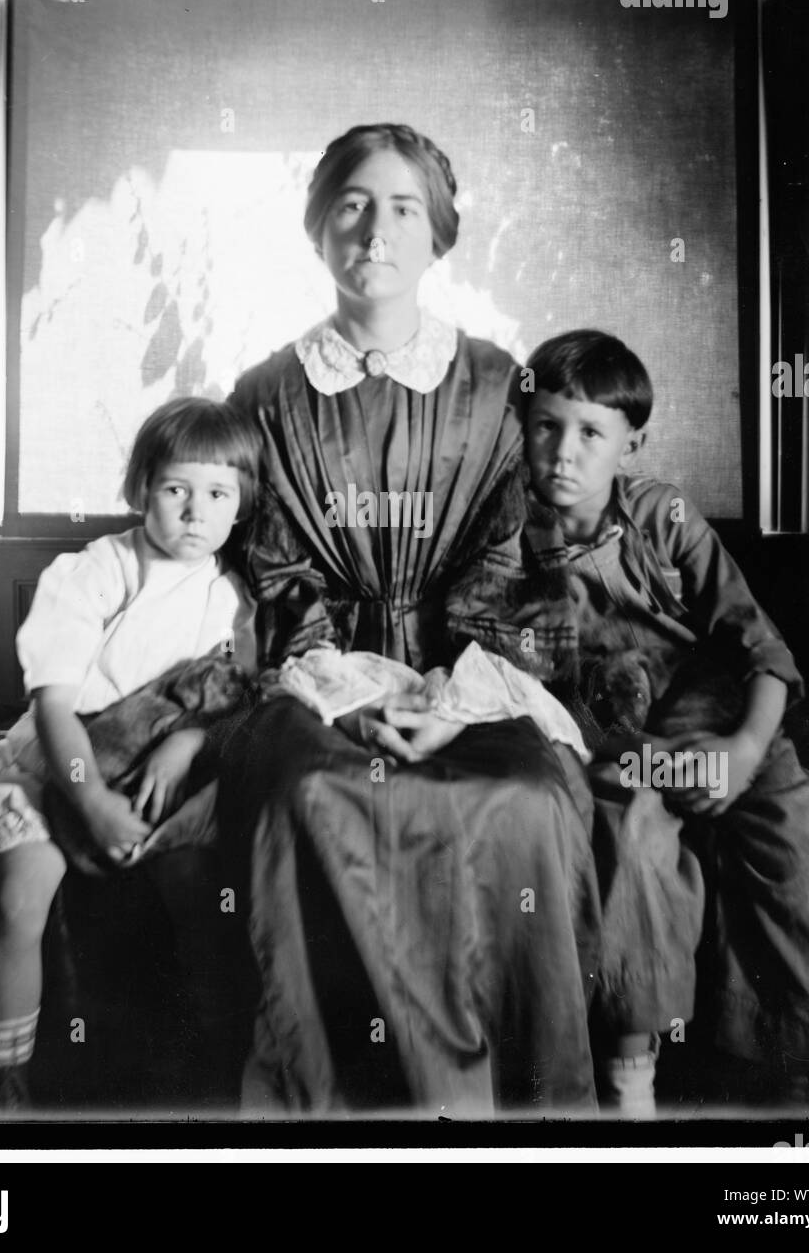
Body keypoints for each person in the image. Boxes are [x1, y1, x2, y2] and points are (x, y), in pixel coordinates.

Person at [224, 123, 602, 1116]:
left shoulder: (493, 384)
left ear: (437, 235)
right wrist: (346, 690)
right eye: (351, 202)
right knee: (308, 790)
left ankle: (519, 1108)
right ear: (318, 230)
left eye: (401, 208)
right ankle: (328, 1105)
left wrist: (452, 699)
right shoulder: (266, 395)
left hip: (467, 670)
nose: (375, 229)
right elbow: (274, 569)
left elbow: (508, 559)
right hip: (321, 681)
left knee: (529, 798)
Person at [518, 328, 809, 1115]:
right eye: (544, 426)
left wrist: (740, 751)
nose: (563, 453)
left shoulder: (663, 517)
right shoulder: (504, 541)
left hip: (715, 711)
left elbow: (762, 650)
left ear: (629, 442)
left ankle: (798, 1070)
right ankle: (629, 1075)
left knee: (807, 861)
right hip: (606, 733)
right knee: (629, 841)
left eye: (590, 432)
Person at [0, 398, 259, 1108]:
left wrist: (185, 743)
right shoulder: (92, 572)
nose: (193, 513)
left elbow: (228, 697)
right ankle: (6, 1076)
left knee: (205, 885)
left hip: (154, 762)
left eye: (217, 494)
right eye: (175, 489)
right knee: (24, 886)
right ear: (140, 488)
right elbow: (53, 706)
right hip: (56, 760)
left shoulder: (231, 597)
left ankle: (208, 1063)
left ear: (241, 506)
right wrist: (87, 799)